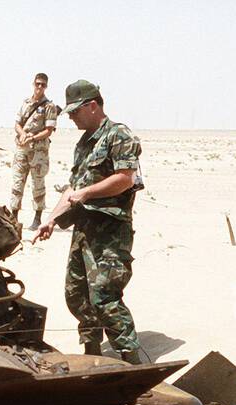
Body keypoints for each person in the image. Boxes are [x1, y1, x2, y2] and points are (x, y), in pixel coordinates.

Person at [37, 80, 144, 363]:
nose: (71, 118)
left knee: (105, 296)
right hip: (83, 229)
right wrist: (51, 220)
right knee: (77, 295)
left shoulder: (119, 135)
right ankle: (93, 354)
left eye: (75, 112)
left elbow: (124, 179)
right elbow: (72, 189)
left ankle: (131, 359)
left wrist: (87, 193)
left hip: (110, 230)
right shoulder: (83, 144)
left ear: (92, 105)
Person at [9, 73, 61, 231]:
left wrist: (32, 138)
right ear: (33, 83)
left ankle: (37, 218)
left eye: (43, 85)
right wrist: (22, 134)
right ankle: (14, 218)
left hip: (38, 152)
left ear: (46, 87)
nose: (40, 87)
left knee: (37, 184)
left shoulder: (49, 107)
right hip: (21, 149)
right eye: (38, 83)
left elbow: (48, 130)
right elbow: (17, 123)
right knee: (17, 182)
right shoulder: (25, 103)